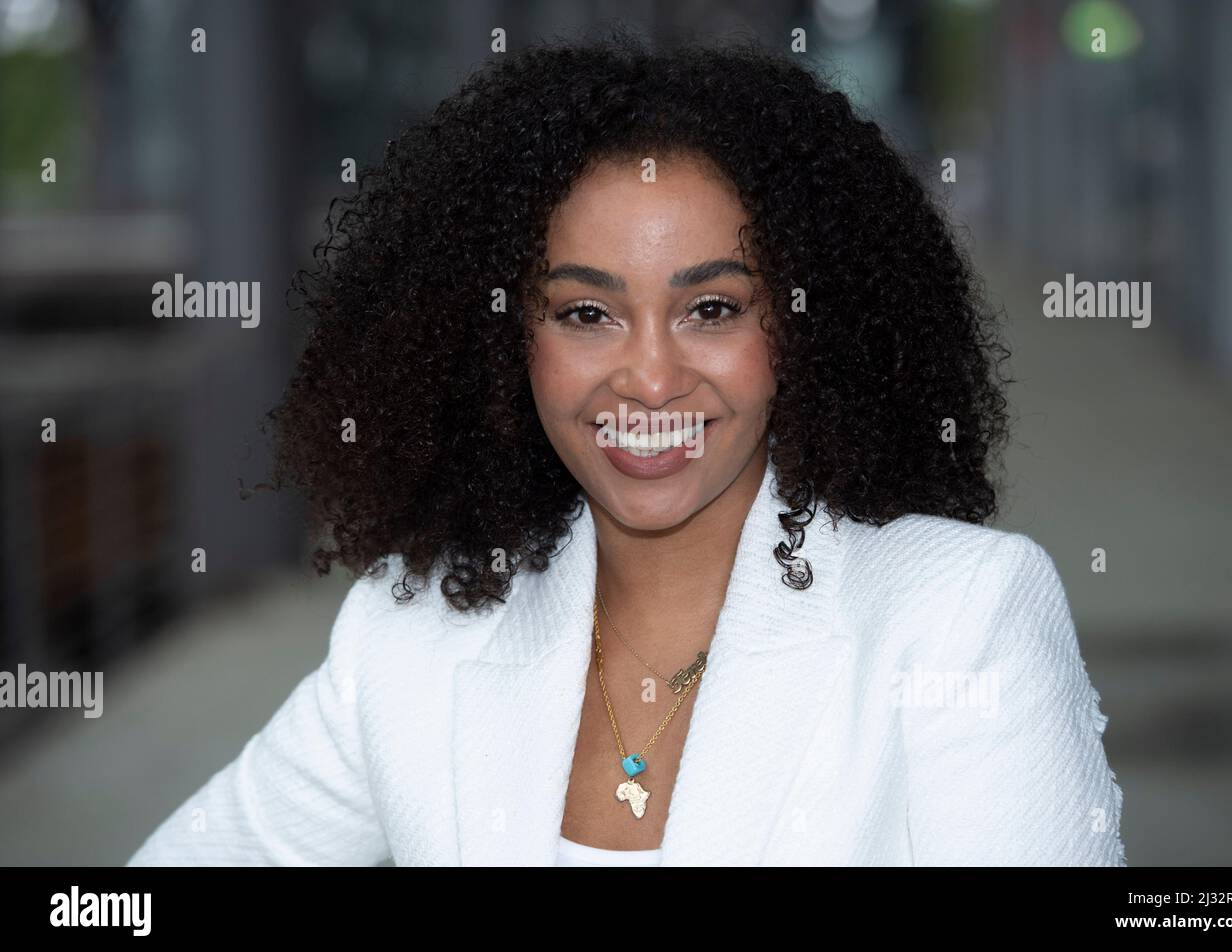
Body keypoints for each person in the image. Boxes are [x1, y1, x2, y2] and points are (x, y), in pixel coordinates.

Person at [127, 29, 1125, 867]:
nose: (649, 378)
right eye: (587, 311)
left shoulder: (960, 616)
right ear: (503, 336)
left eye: (712, 307)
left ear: (808, 326)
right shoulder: (407, 635)